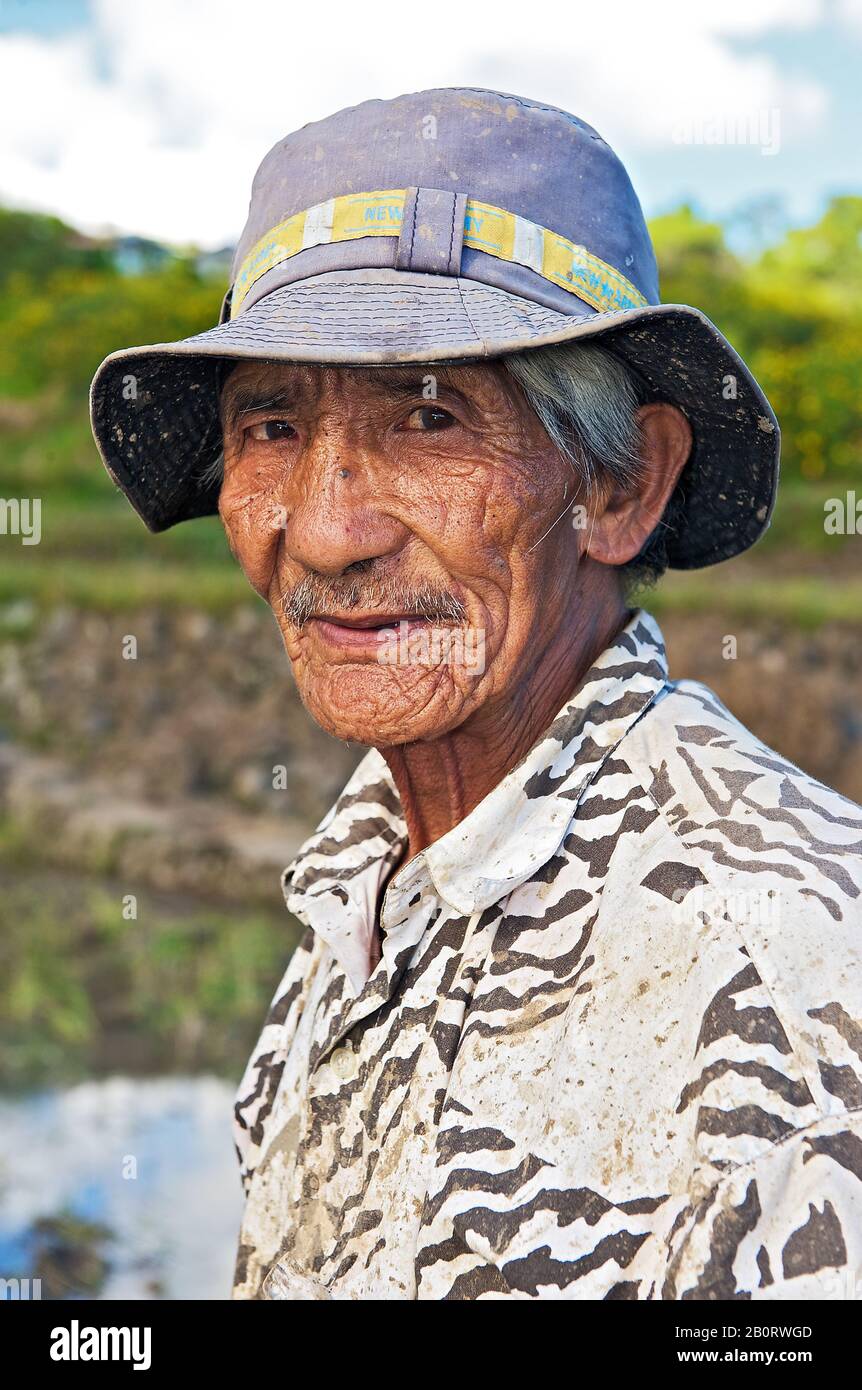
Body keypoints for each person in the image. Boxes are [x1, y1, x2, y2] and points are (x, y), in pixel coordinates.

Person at [89, 87, 862, 1301]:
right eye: (274, 426)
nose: (328, 531)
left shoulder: (797, 966)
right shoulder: (365, 889)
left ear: (620, 488)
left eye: (432, 417)